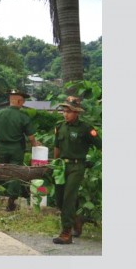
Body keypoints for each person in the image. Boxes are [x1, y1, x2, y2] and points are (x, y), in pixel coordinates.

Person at [52, 96, 102, 244]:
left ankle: (66, 233)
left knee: (68, 198)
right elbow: (56, 147)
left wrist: (95, 162)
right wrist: (54, 164)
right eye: (64, 110)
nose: (65, 114)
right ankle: (77, 219)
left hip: (77, 166)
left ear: (77, 113)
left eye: (69, 111)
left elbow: (101, 144)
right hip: (61, 167)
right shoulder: (59, 127)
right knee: (60, 199)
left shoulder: (86, 128)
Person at [0, 89, 39, 211]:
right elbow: (31, 138)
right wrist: (37, 146)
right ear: (18, 101)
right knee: (15, 174)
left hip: (1, 148)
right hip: (16, 149)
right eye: (22, 101)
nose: (23, 103)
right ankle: (11, 203)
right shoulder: (23, 116)